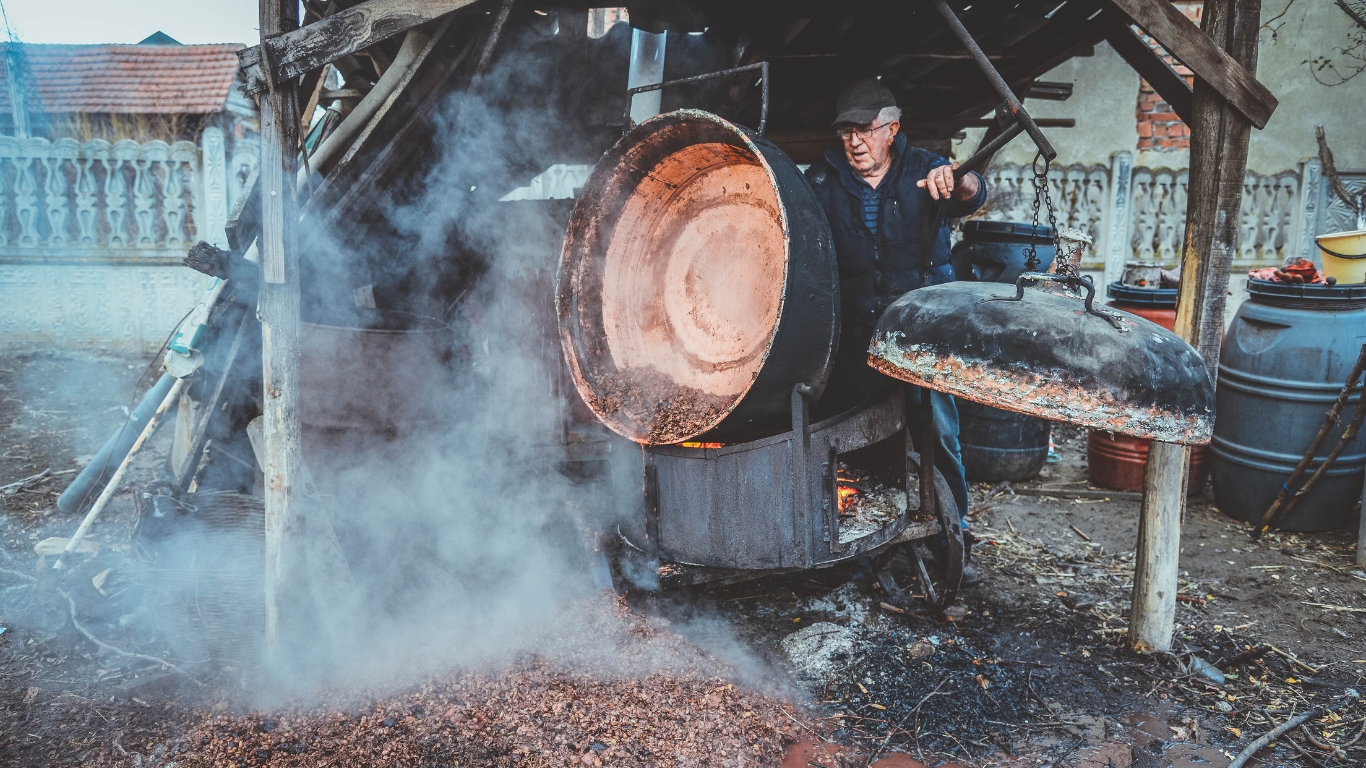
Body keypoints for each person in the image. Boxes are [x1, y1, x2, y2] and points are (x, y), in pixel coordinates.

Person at [805, 78, 986, 586]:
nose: (854, 142)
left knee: (938, 432)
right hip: (856, 333)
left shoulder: (927, 169)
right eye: (846, 131)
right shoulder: (821, 180)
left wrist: (962, 182)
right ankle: (861, 537)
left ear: (892, 128)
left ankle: (952, 534)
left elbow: (972, 193)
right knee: (855, 435)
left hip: (922, 329)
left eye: (864, 129)